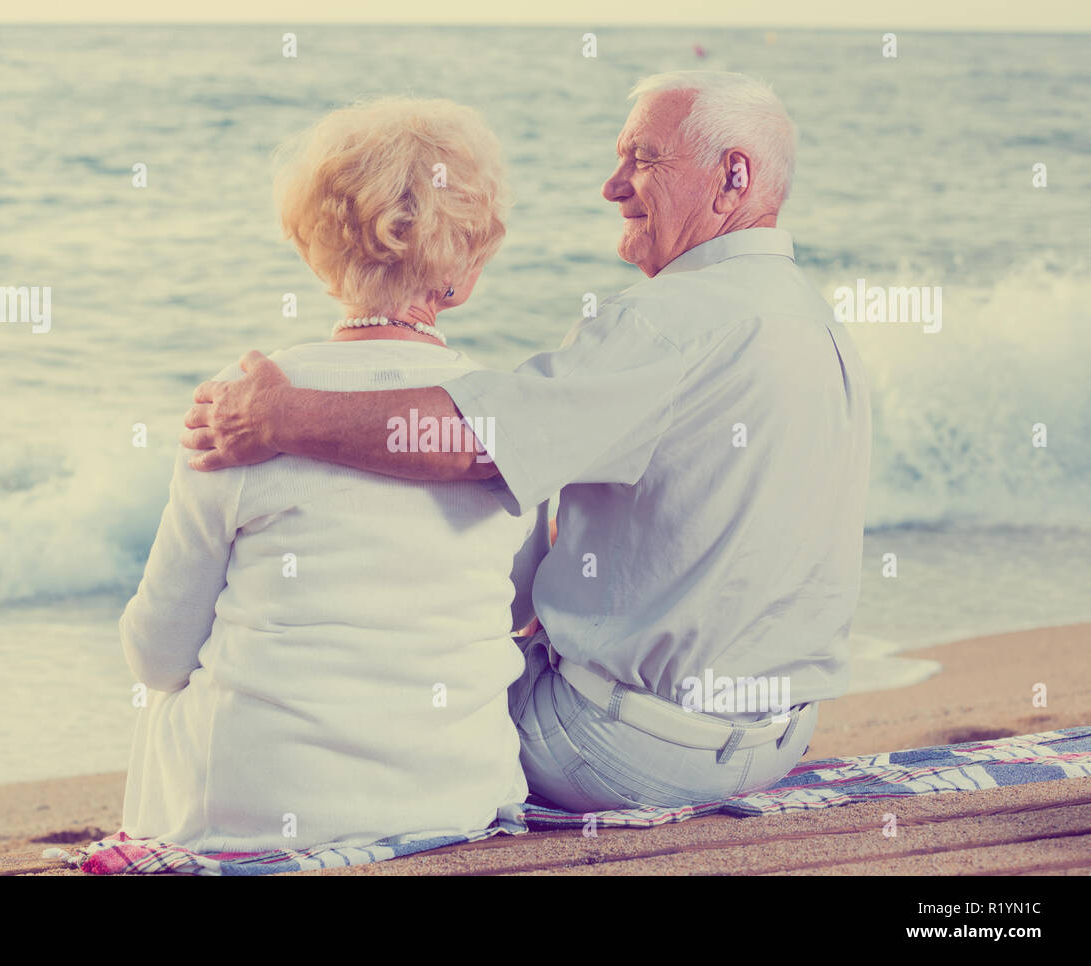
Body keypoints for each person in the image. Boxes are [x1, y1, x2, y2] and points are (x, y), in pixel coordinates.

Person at [182, 71, 873, 812]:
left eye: (642, 159)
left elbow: (472, 441)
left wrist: (278, 417)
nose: (614, 186)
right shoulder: (813, 318)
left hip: (621, 750)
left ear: (732, 175)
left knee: (377, 717)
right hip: (773, 739)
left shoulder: (670, 321)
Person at [120, 97, 543, 852]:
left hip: (253, 808)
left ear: (315, 246)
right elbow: (518, 602)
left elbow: (156, 651)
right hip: (455, 796)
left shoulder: (243, 399)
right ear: (470, 263)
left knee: (165, 698)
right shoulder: (500, 416)